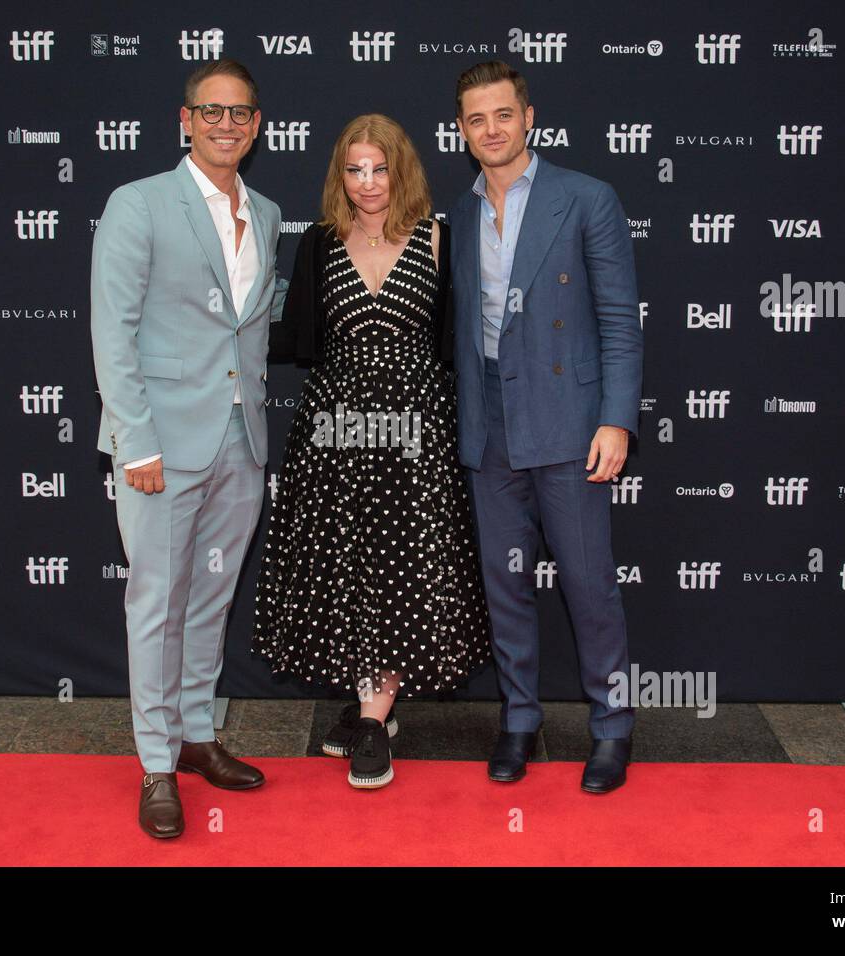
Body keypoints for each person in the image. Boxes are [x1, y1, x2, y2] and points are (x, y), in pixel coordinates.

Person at [253, 114, 491, 790]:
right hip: (334, 432)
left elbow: (459, 339)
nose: (367, 183)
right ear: (340, 175)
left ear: (401, 169)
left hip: (415, 433)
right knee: (346, 568)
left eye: (379, 168)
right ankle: (372, 710)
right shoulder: (321, 244)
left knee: (402, 566)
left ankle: (371, 717)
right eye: (354, 169)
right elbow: (292, 334)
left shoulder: (440, 239)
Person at [90, 59, 282, 839]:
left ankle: (198, 735)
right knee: (157, 604)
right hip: (159, 444)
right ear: (186, 119)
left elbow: (249, 329)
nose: (226, 124)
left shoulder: (265, 212)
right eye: (212, 112)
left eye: (240, 113)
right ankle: (156, 763)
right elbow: (114, 332)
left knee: (210, 599)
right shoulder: (138, 204)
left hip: (241, 436)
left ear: (257, 124)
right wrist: (134, 439)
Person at [447, 61, 643, 793]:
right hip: (490, 422)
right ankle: (520, 719)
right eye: (476, 118)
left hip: (569, 422)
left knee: (590, 584)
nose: (491, 130)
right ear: (461, 129)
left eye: (503, 114)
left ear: (529, 116)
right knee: (505, 585)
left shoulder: (587, 199)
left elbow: (620, 322)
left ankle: (613, 727)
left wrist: (616, 420)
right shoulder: (461, 213)